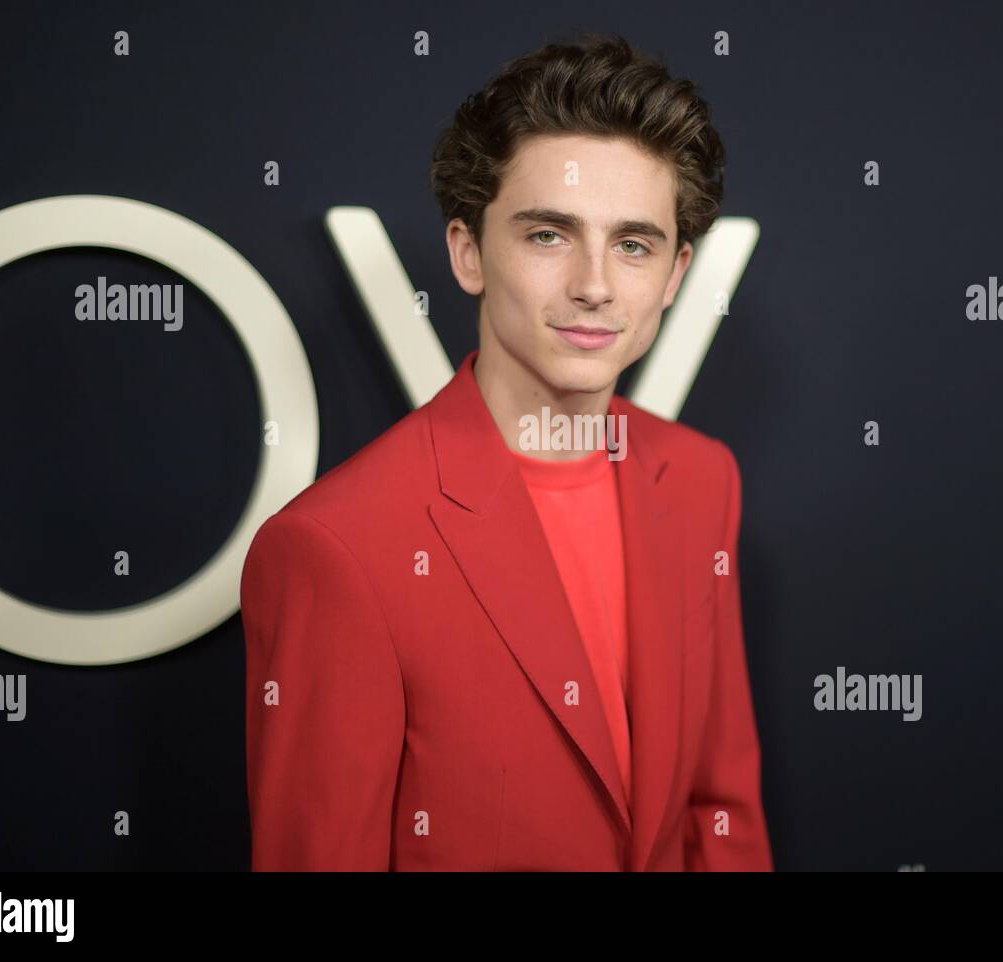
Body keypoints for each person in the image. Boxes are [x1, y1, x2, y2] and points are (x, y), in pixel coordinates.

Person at [241, 32, 773, 871]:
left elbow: (719, 809)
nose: (595, 285)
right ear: (467, 252)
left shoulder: (703, 479)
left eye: (633, 244)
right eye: (550, 235)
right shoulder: (336, 547)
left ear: (675, 275)